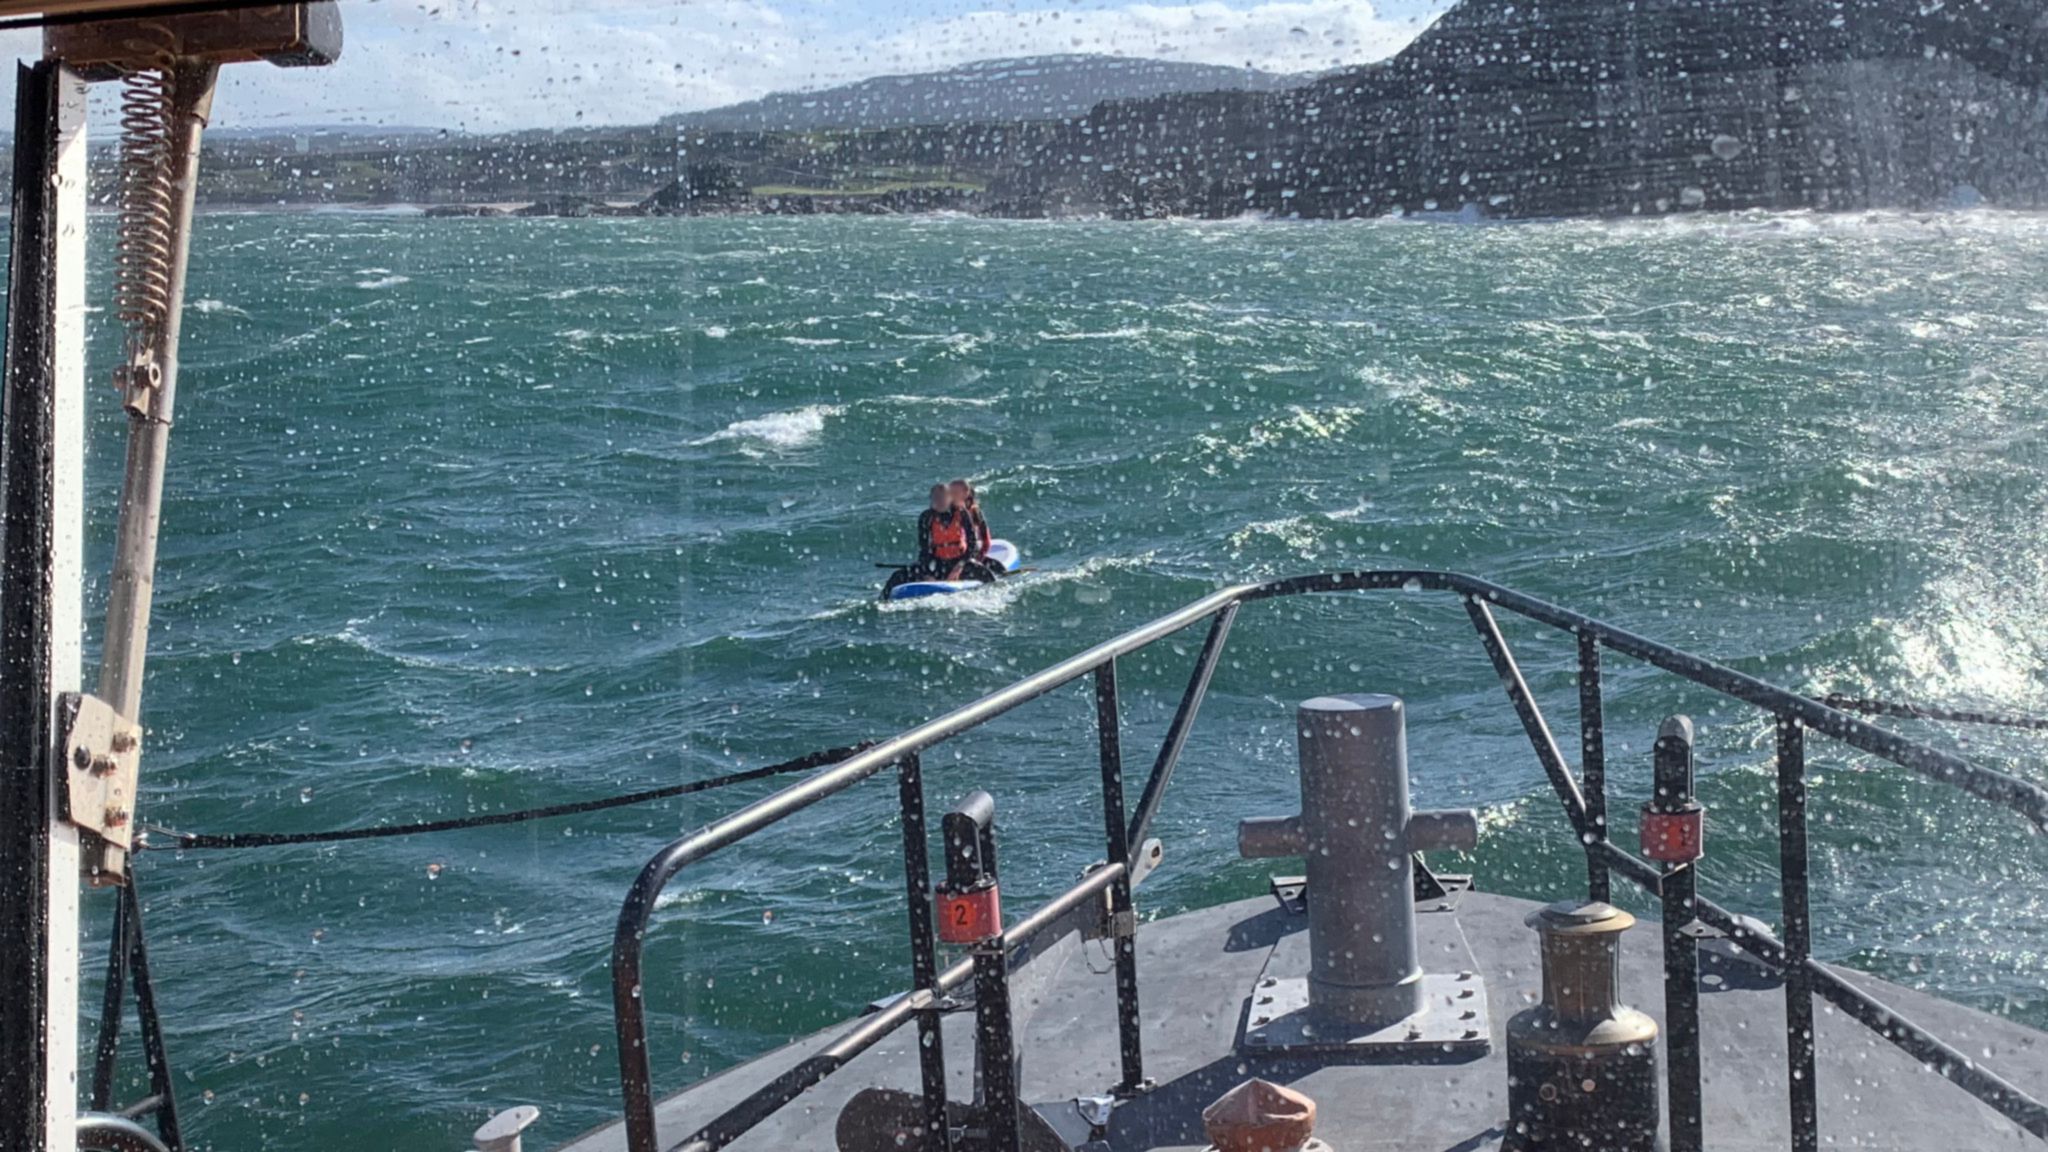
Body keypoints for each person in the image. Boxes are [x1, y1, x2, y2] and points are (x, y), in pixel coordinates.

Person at [949, 478, 1000, 581]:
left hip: (971, 556)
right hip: (952, 558)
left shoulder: (975, 512)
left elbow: (986, 541)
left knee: (997, 568)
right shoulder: (948, 512)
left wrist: (980, 557)